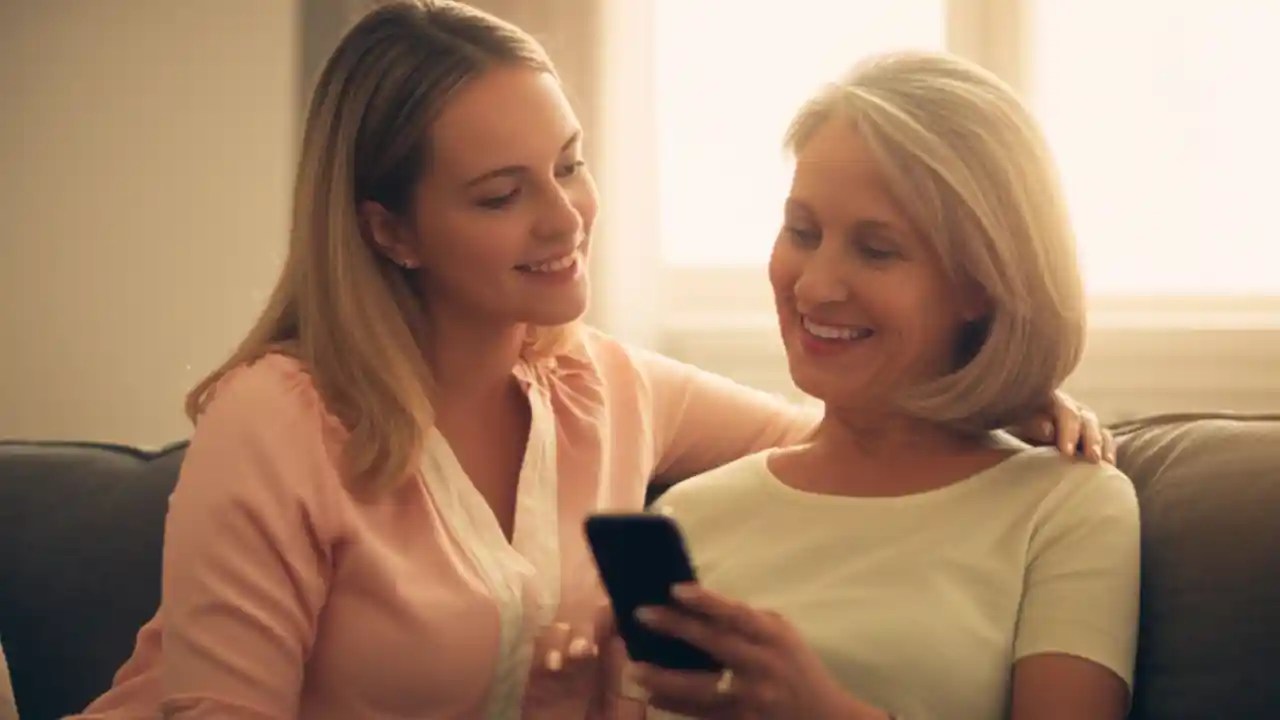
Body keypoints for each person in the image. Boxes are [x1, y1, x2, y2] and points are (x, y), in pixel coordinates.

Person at [70, 4, 1112, 719]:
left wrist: (1002, 387)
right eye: (499, 193)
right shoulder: (282, 418)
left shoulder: (607, 387)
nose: (563, 215)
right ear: (391, 231)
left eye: (568, 163)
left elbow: (855, 451)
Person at [628, 51, 1141, 720]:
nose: (813, 286)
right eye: (802, 232)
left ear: (979, 286)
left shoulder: (1068, 507)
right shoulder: (688, 518)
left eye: (877, 249)